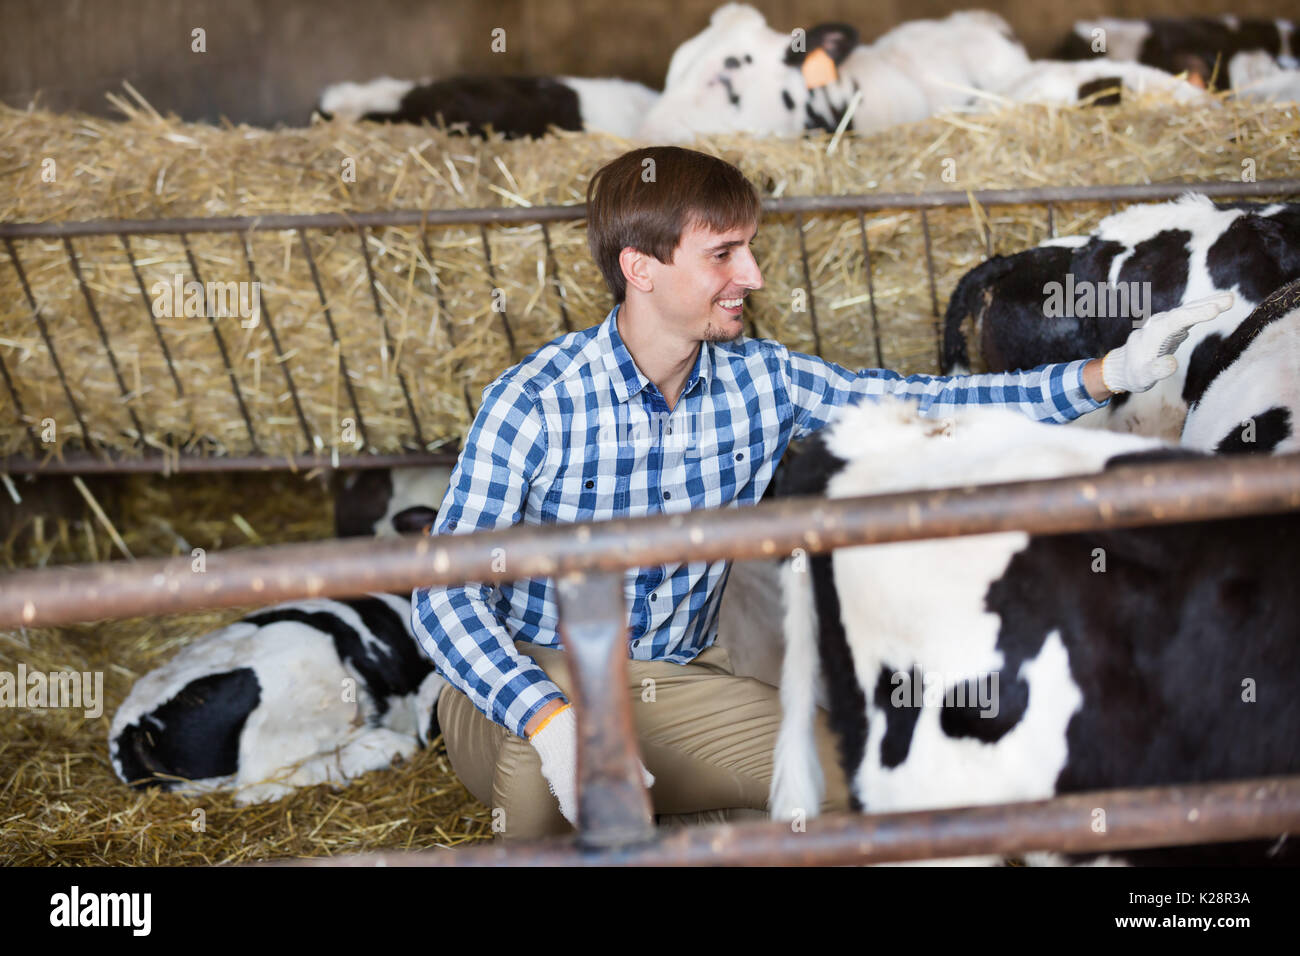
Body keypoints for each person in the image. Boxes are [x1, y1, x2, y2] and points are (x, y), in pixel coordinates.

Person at [411, 145, 1231, 841]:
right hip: (531, 679)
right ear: (642, 268)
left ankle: (676, 807)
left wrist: (1105, 374)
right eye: (724, 254)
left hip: (678, 678)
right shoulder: (535, 399)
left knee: (847, 784)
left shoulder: (763, 380)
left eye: (750, 250)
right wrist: (549, 719)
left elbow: (923, 404)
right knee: (542, 787)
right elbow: (442, 591)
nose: (753, 276)